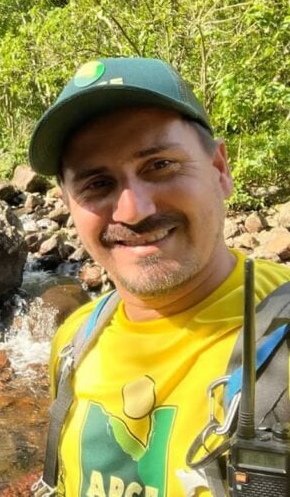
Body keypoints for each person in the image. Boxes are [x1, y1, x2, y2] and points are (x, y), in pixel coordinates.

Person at [28, 57, 290, 497]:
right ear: (69, 204)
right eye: (97, 184)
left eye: (160, 166)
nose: (134, 210)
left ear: (220, 170)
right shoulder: (74, 342)